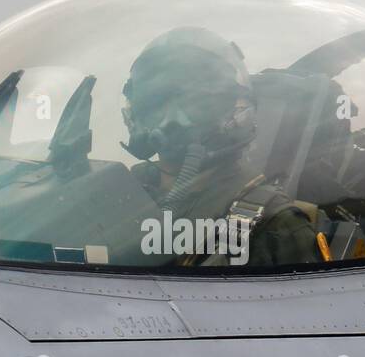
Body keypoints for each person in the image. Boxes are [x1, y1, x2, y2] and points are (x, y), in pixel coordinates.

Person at [121, 27, 321, 268]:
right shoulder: (121, 195)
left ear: (233, 109)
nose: (172, 119)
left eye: (197, 102)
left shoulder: (274, 223)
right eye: (157, 101)